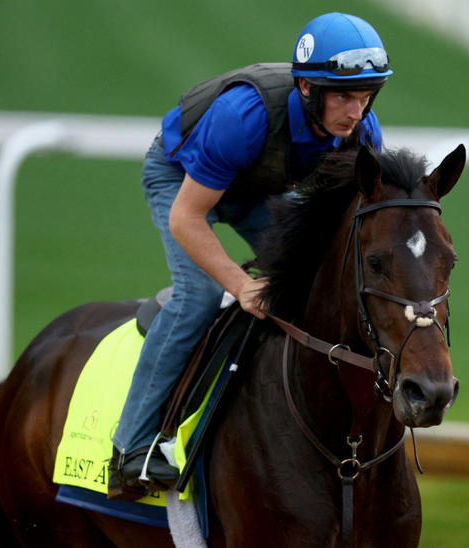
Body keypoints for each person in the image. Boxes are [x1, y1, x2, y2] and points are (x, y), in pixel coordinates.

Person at [108, 11, 394, 499]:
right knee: (199, 294)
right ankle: (130, 450)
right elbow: (186, 219)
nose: (355, 112)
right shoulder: (245, 116)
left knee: (310, 281)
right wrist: (241, 286)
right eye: (344, 95)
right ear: (307, 88)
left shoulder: (363, 133)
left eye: (366, 97)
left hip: (255, 188)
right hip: (181, 182)